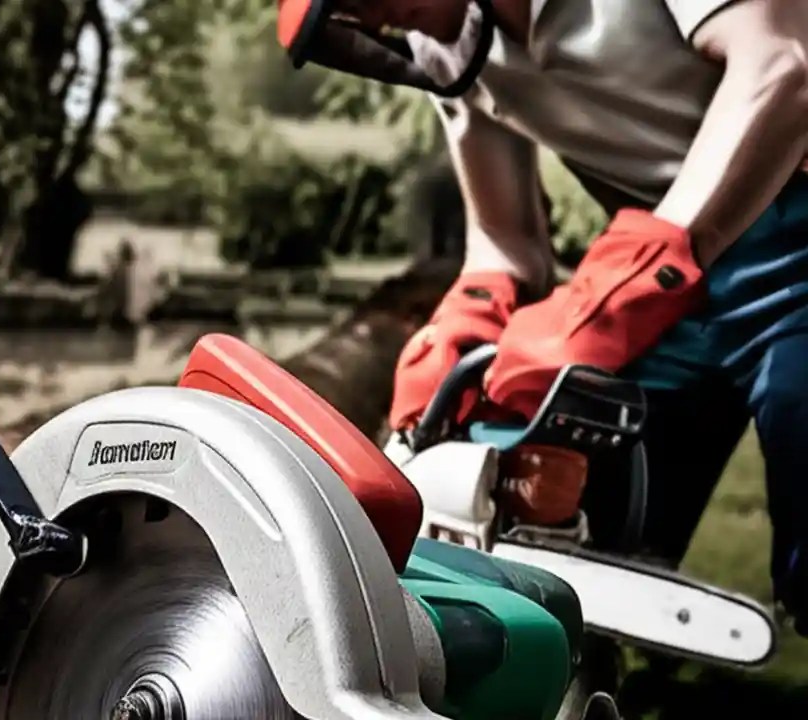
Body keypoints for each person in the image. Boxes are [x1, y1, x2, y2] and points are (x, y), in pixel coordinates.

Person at [275, 0, 808, 632]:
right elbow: (506, 242)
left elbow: (784, 64)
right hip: (668, 278)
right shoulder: (453, 55)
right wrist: (466, 322)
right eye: (361, 15)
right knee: (563, 521)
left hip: (782, 228)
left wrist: (640, 265)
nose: (383, 22)